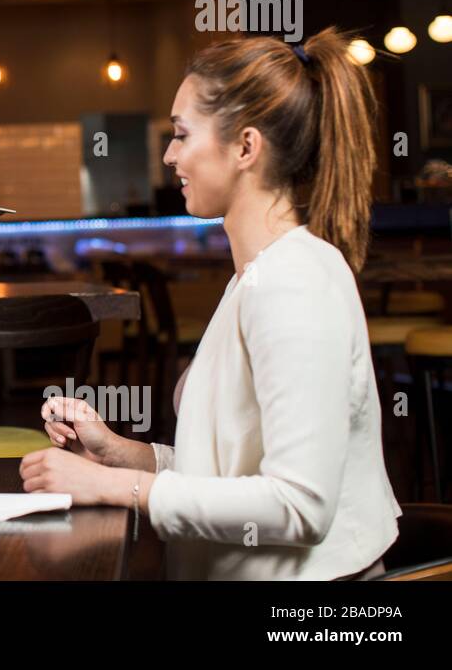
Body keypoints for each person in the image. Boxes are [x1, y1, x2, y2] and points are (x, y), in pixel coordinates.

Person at [22, 29, 401, 580]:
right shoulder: (254, 276)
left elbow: (299, 506)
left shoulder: (293, 283)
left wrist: (112, 486)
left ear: (246, 147)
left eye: (181, 135)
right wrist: (122, 454)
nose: (170, 155)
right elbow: (235, 472)